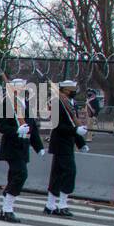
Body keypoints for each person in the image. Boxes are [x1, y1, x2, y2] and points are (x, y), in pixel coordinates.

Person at [0, 78, 45, 223]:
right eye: (22, 86)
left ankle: (5, 209)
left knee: (14, 177)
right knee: (21, 174)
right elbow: (1, 126)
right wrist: (16, 130)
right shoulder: (6, 103)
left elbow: (32, 128)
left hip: (23, 147)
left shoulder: (26, 104)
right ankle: (8, 209)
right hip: (12, 146)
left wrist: (39, 147)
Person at [45, 79, 89, 217]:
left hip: (67, 143)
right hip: (60, 143)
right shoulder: (57, 103)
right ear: (65, 90)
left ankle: (50, 205)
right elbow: (57, 125)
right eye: (72, 89)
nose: (74, 91)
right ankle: (62, 204)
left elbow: (72, 123)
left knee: (58, 175)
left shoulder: (70, 103)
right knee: (69, 172)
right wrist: (75, 131)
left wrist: (80, 143)